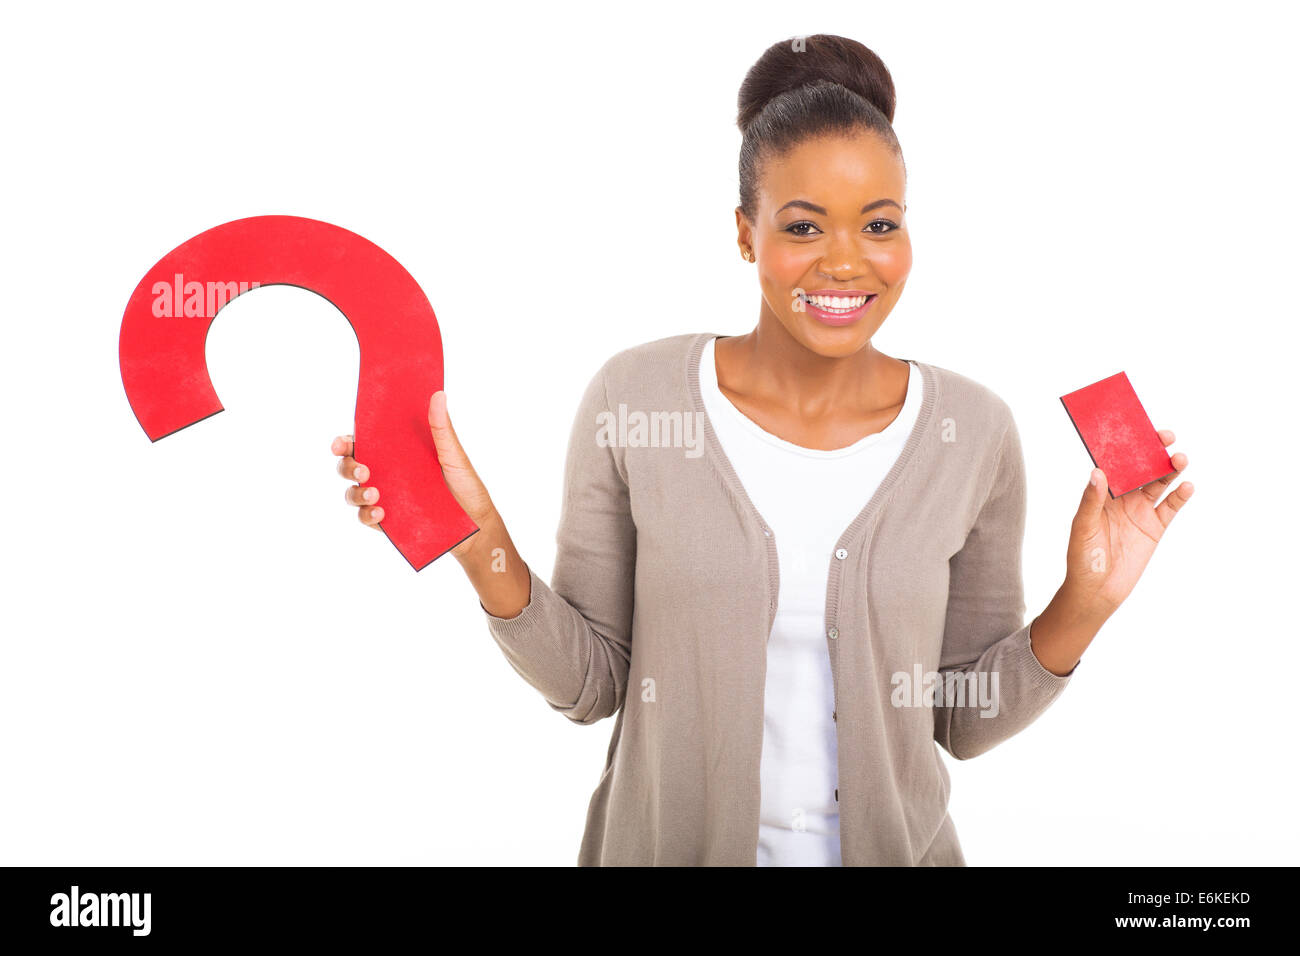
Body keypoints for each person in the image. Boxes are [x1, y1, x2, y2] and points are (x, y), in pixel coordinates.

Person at [331, 34, 1193, 866]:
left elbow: (959, 720)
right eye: (805, 228)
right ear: (745, 234)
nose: (847, 263)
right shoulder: (635, 399)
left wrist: (1087, 600)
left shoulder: (974, 431)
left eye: (880, 224)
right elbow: (593, 685)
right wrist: (480, 539)